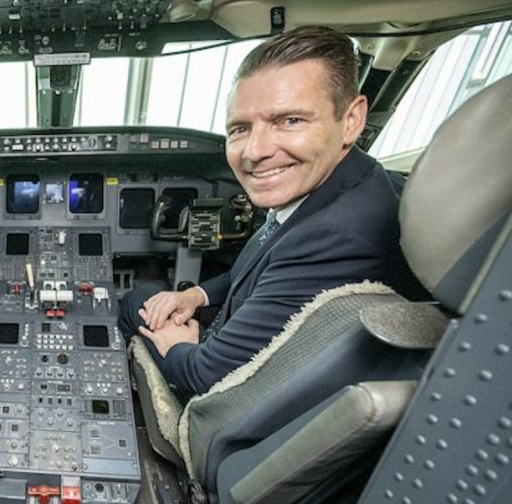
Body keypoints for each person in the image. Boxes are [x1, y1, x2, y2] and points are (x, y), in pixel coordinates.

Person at [119, 25, 425, 399]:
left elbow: (204, 376)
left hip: (231, 392)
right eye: (240, 128)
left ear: (351, 120)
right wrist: (194, 296)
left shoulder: (335, 236)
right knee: (160, 298)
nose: (255, 151)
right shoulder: (352, 185)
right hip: (258, 344)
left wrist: (175, 343)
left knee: (137, 300)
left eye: (289, 120)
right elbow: (258, 268)